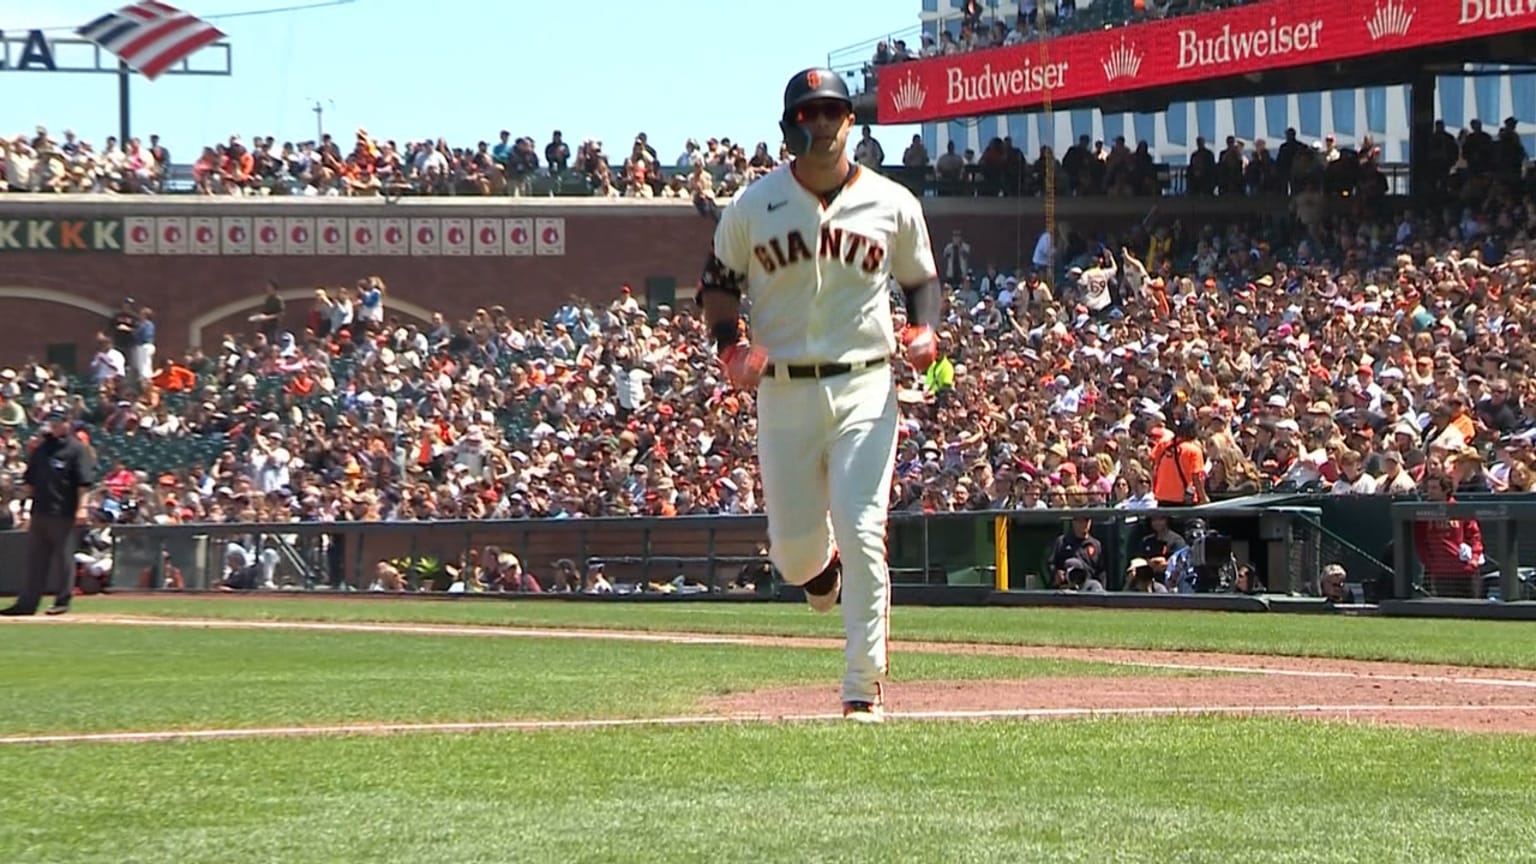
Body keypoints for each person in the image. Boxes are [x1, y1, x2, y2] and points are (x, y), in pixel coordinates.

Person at [695, 66, 940, 724]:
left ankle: (863, 683)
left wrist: (924, 328)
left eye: (833, 111)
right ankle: (818, 570)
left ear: (851, 121)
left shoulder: (891, 202)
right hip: (784, 392)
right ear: (789, 127)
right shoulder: (754, 205)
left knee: (863, 529)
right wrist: (730, 346)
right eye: (810, 113)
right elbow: (717, 284)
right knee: (793, 552)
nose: (823, 123)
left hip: (866, 383)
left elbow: (921, 280)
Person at [2, 408, 95, 616]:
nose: (54, 425)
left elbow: (84, 483)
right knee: (35, 560)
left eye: (58, 422)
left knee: (64, 559)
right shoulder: (42, 449)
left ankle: (62, 600)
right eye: (51, 422)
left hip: (63, 512)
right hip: (40, 511)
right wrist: (23, 505)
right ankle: (27, 603)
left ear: (67, 423)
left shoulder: (76, 449)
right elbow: (30, 482)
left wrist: (82, 508)